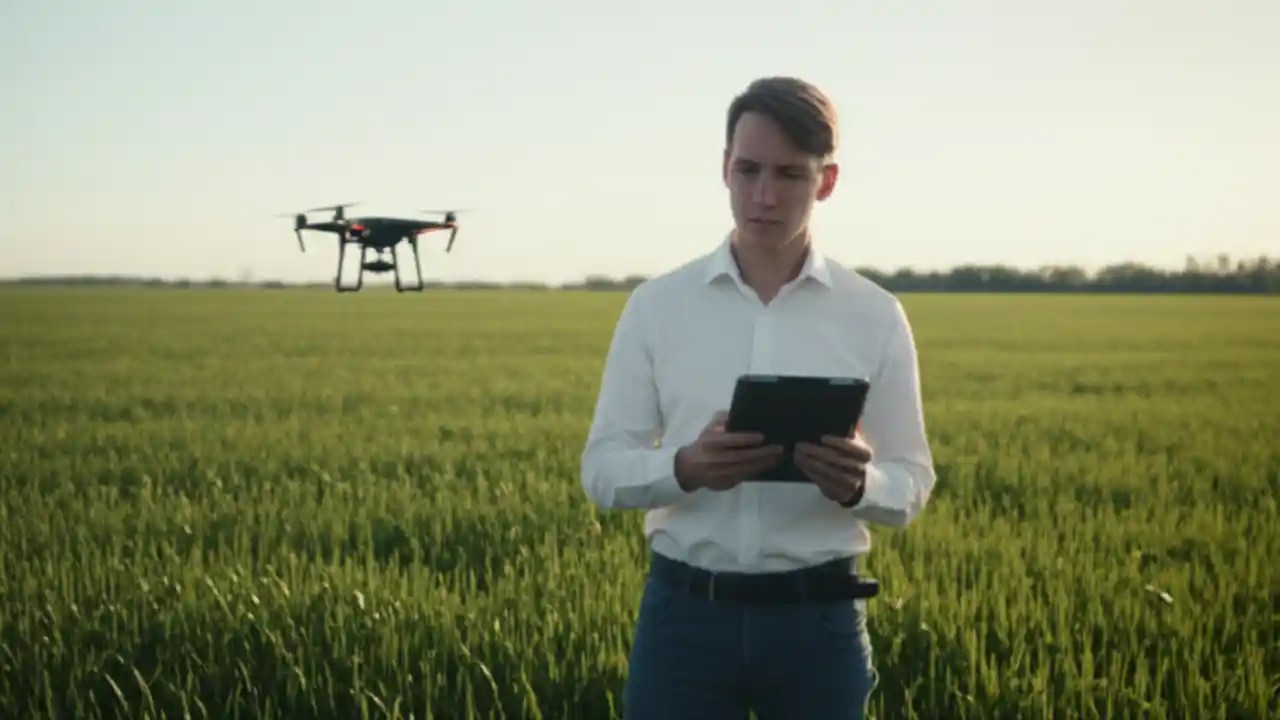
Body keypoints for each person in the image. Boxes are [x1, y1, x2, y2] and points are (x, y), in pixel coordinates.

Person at [579, 76, 937, 720]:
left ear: (826, 182)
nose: (764, 196)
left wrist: (861, 484)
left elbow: (911, 482)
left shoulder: (875, 315)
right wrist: (684, 467)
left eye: (789, 175)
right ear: (723, 169)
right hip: (683, 623)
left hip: (819, 629)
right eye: (747, 170)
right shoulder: (658, 306)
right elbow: (602, 470)